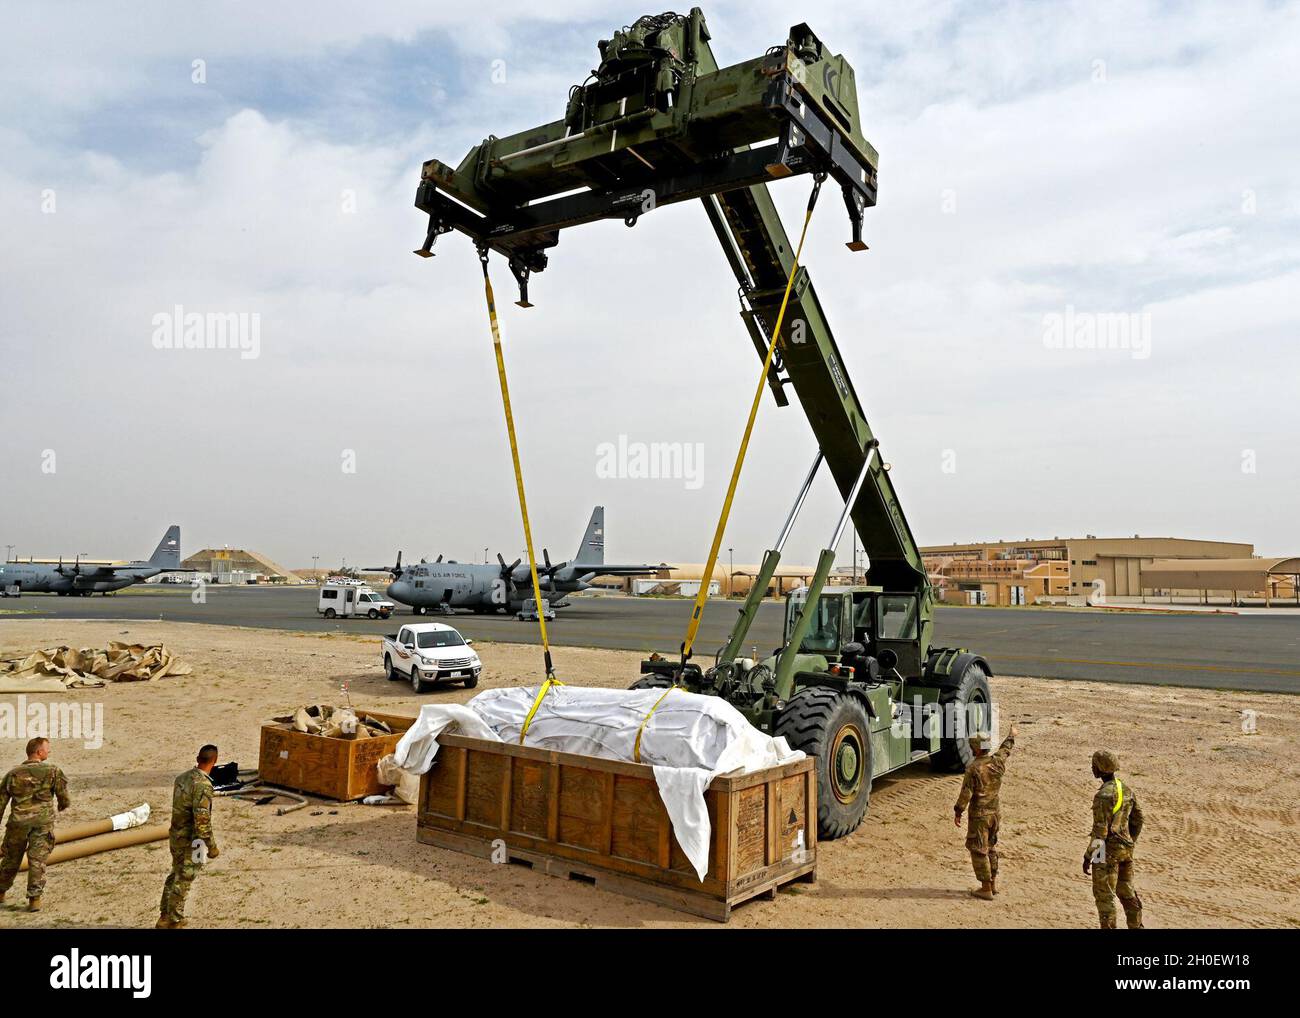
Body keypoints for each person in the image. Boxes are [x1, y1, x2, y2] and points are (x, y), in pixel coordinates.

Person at [0, 737, 71, 912]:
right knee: (37, 860)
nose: (49, 751)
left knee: (11, 859)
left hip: (18, 823)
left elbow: (1, 803)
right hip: (42, 823)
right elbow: (63, 797)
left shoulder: (12, 774)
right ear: (39, 752)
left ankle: (0, 892)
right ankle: (34, 899)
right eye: (47, 749)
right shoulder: (53, 771)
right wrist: (62, 805)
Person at [157, 744, 220, 929]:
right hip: (191, 839)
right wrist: (212, 846)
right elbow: (202, 820)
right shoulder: (204, 786)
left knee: (175, 873)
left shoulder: (182, 778)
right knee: (185, 877)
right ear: (214, 761)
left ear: (198, 759)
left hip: (176, 835)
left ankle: (165, 915)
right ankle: (174, 920)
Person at [953, 722, 1017, 899]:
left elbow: (966, 794)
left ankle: (986, 888)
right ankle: (993, 883)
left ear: (976, 748)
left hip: (980, 817)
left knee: (978, 849)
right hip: (995, 814)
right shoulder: (997, 762)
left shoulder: (973, 769)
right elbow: (1005, 750)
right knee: (991, 847)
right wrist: (1011, 735)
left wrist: (958, 811)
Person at [1083, 748, 1145, 928]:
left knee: (1105, 898)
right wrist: (1129, 841)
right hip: (1125, 850)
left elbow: (1100, 833)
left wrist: (1088, 856)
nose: (1092, 768)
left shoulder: (1103, 796)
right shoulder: (1126, 790)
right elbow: (1138, 819)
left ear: (1100, 768)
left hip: (1105, 852)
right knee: (1127, 893)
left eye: (1094, 765)